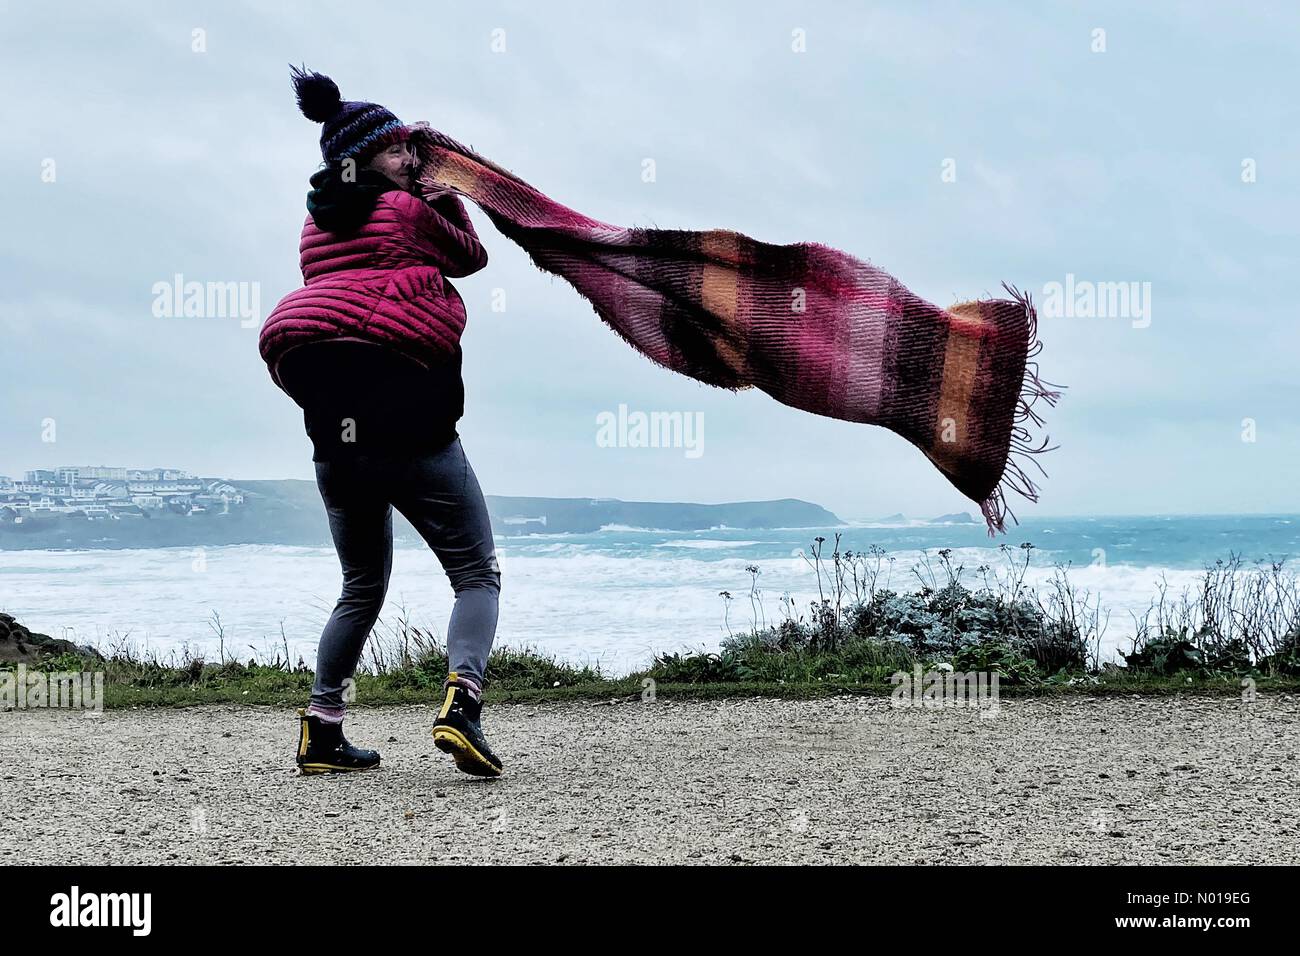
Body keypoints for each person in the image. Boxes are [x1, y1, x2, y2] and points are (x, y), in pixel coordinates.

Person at [259, 66, 503, 778]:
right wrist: (447, 199)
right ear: (363, 157)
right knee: (475, 573)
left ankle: (321, 728)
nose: (409, 159)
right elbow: (472, 258)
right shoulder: (402, 211)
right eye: (398, 150)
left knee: (361, 585)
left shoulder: (313, 222)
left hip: (334, 434)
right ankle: (462, 707)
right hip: (409, 421)